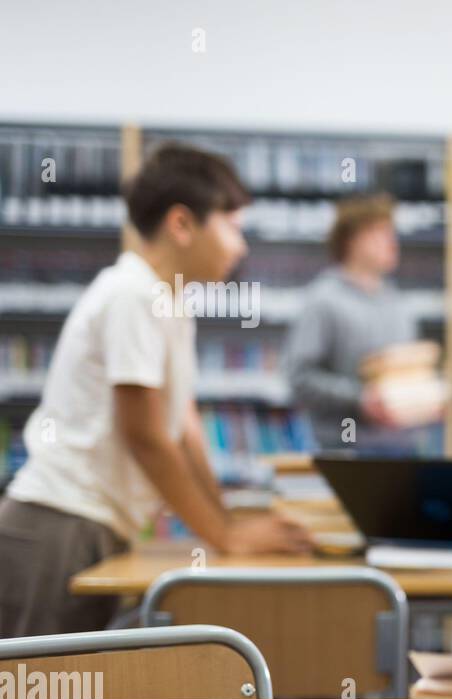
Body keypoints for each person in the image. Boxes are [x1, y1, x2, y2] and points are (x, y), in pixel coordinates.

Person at [0, 144, 309, 638]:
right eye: (233, 226)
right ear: (182, 224)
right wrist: (224, 533)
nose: (241, 246)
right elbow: (144, 435)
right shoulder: (133, 295)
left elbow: (183, 427)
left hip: (88, 523)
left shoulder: (171, 303)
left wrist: (227, 524)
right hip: (58, 524)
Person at [284, 193, 429, 452]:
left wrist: (423, 399)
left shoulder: (397, 301)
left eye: (392, 232)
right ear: (352, 239)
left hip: (402, 446)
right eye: (380, 233)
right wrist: (359, 399)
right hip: (346, 450)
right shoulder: (323, 300)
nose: (392, 242)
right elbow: (299, 377)